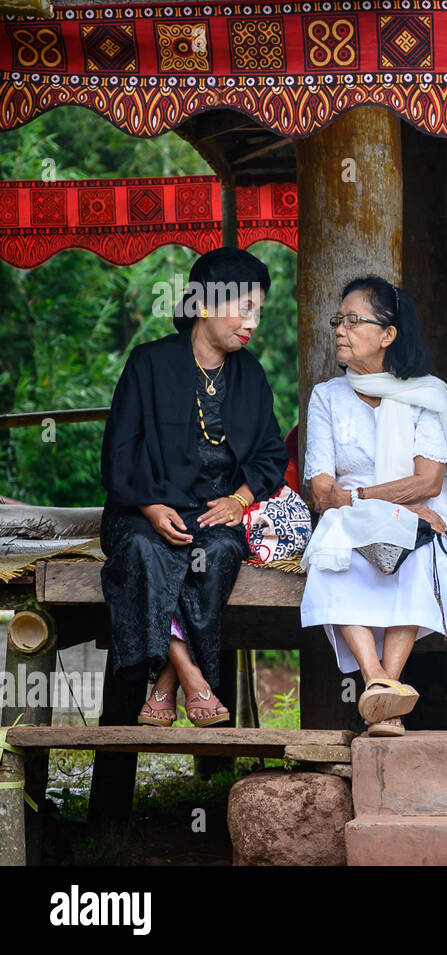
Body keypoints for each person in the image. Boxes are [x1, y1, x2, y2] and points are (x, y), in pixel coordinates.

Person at [101, 247, 288, 728]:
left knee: (221, 554)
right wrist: (149, 506)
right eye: (244, 308)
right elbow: (119, 452)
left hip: (213, 518)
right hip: (143, 514)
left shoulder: (251, 375)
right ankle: (191, 678)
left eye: (258, 312)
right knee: (144, 553)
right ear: (205, 303)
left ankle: (164, 688)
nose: (253, 322)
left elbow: (271, 455)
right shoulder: (149, 363)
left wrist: (239, 499)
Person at [299, 276, 447, 736]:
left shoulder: (425, 393)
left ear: (388, 334)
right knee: (330, 556)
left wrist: (360, 496)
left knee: (419, 553)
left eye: (353, 320)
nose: (340, 330)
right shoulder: (327, 397)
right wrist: (364, 503)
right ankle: (383, 689)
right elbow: (321, 491)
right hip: (352, 520)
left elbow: (427, 481)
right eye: (338, 320)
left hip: (405, 514)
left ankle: (381, 691)